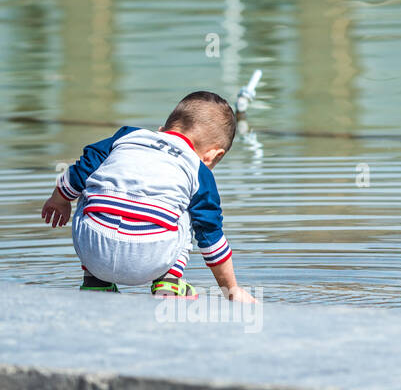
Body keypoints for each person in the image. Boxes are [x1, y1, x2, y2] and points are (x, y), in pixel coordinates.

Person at [40, 91, 256, 302]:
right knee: (190, 210)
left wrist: (59, 200)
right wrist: (232, 289)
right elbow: (211, 237)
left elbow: (81, 169)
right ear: (213, 155)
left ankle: (96, 283)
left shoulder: (128, 136)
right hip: (151, 258)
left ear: (162, 130)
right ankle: (168, 281)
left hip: (94, 252)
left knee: (92, 187)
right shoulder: (198, 169)